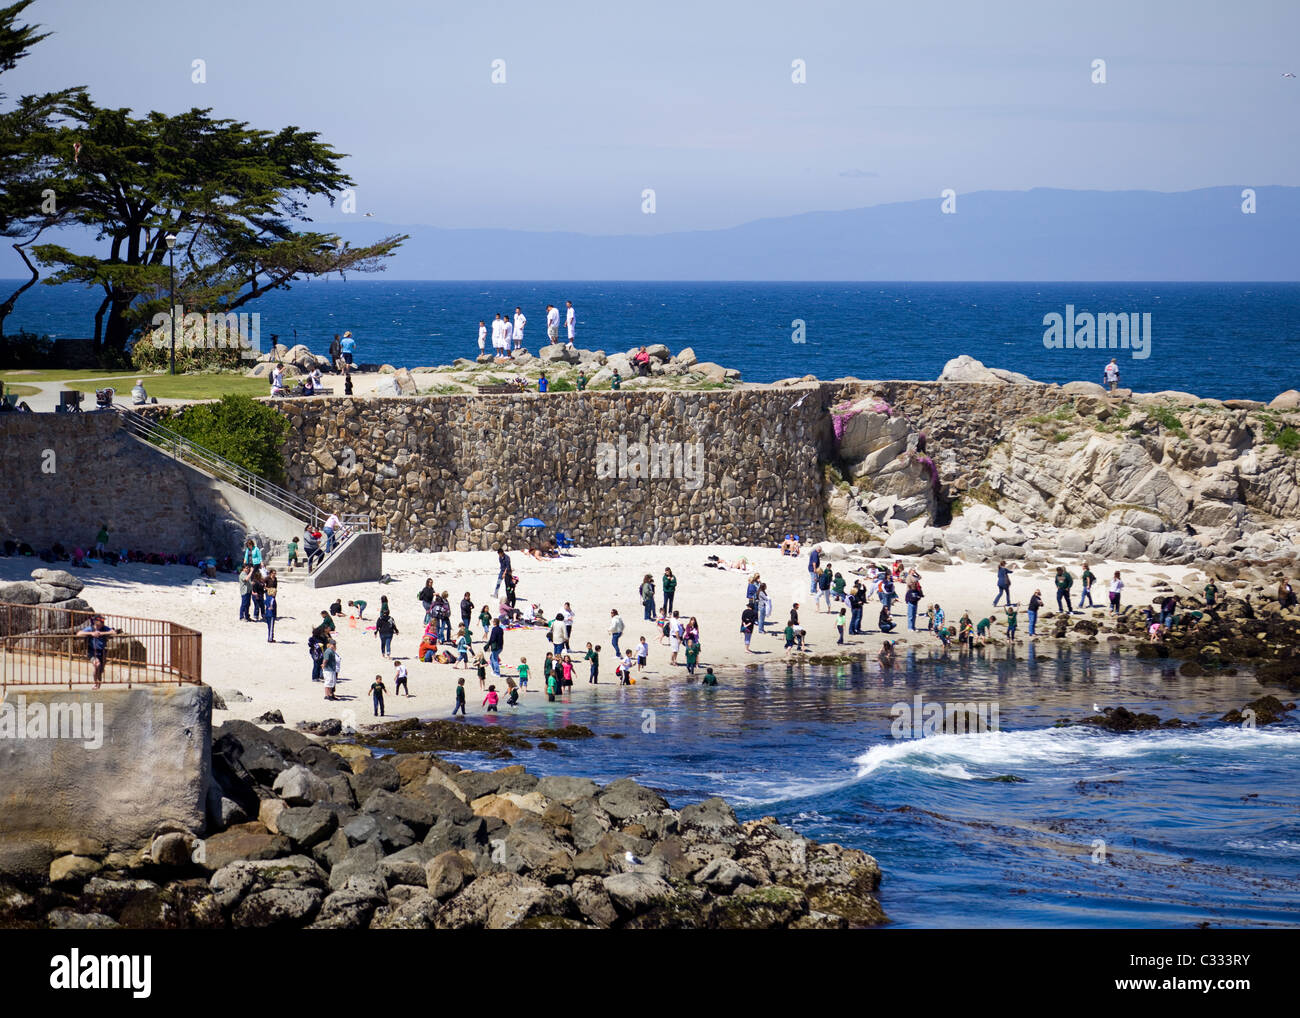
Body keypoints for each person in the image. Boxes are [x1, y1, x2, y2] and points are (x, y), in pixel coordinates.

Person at [78, 615, 120, 689]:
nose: (102, 623)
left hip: (102, 651)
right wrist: (91, 633)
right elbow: (79, 633)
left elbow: (113, 632)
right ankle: (95, 683)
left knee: (100, 670)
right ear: (95, 622)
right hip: (92, 651)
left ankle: (98, 686)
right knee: (97, 664)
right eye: (101, 621)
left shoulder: (104, 628)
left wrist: (102, 633)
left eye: (103, 621)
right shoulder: (90, 628)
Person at [264, 569, 278, 642]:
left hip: (272, 593)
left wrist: (274, 591)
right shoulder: (267, 578)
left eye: (275, 573)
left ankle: (271, 637)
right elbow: (263, 584)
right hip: (269, 593)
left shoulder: (275, 579)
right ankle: (270, 638)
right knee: (270, 603)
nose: (274, 574)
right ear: (270, 573)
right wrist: (268, 589)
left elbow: (276, 586)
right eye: (273, 573)